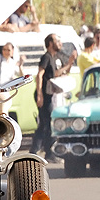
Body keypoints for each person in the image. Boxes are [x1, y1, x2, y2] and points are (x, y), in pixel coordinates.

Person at [31, 33, 76, 161]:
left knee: (45, 123)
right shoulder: (46, 57)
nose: (60, 43)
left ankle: (36, 150)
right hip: (44, 94)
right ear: (50, 43)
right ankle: (47, 152)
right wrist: (39, 94)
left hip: (50, 94)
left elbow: (56, 73)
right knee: (48, 123)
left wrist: (70, 63)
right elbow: (40, 75)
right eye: (57, 41)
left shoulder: (54, 57)